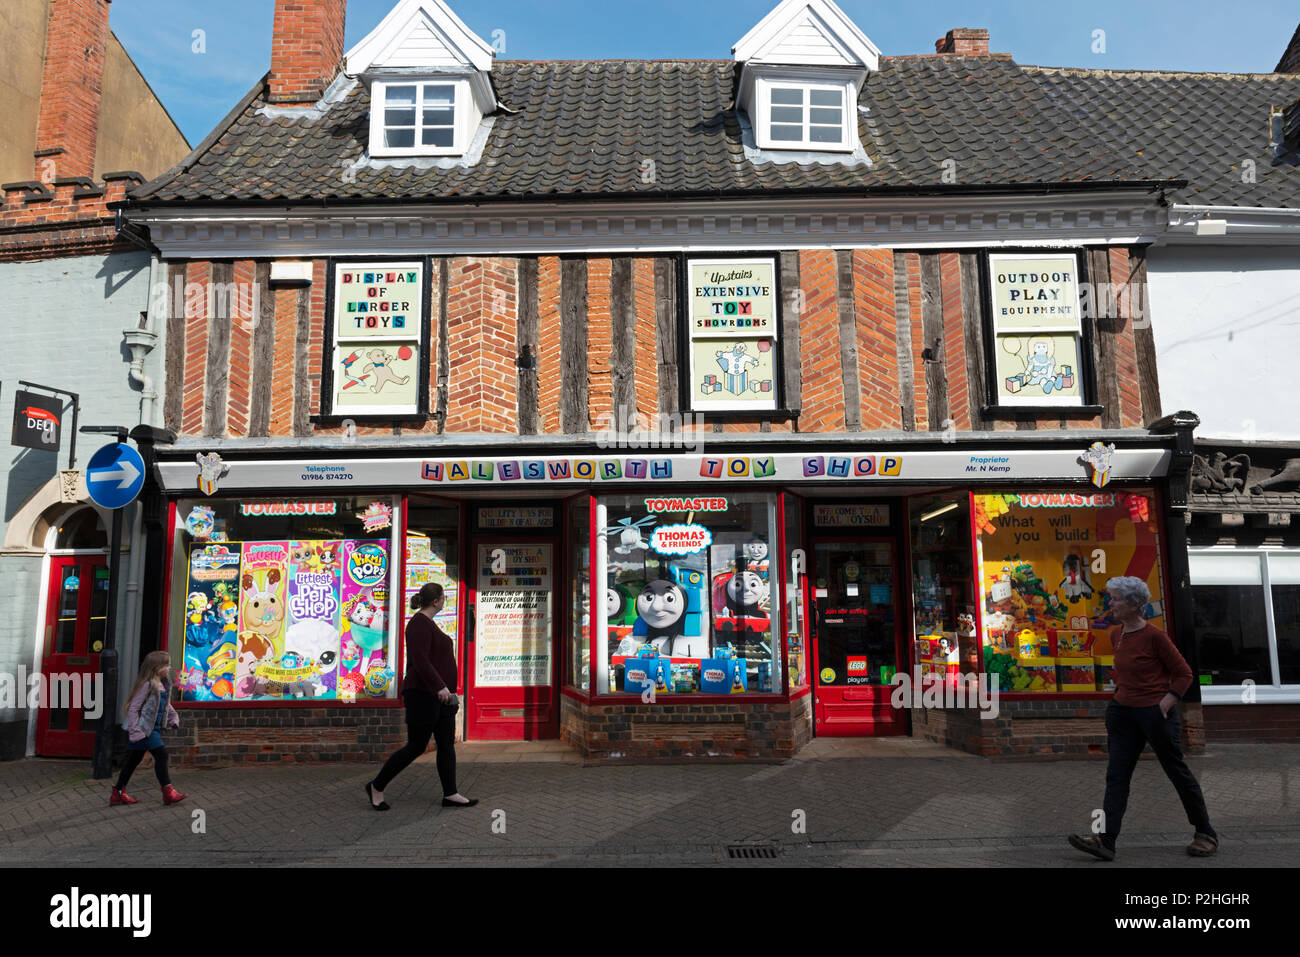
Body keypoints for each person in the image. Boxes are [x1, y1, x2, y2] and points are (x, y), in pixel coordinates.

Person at [1069, 576, 1217, 860]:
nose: (1110, 603)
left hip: (1154, 714)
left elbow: (1185, 674)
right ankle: (1106, 841)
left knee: (1177, 772)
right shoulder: (1116, 634)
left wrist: (1165, 702)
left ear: (1135, 604)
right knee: (1116, 777)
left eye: (1116, 599)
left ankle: (1206, 832)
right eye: (1111, 597)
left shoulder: (1154, 636)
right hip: (1123, 713)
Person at [366, 582, 477, 810]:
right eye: (443, 598)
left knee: (446, 745)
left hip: (442, 697)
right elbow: (420, 660)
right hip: (424, 695)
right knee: (416, 746)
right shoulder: (418, 624)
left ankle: (450, 793)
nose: (444, 601)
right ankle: (376, 786)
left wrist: (446, 690)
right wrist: (439, 686)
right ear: (436, 601)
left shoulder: (429, 624)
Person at [112, 650, 187, 806]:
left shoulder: (163, 684)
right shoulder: (147, 685)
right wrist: (135, 731)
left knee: (133, 761)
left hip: (153, 729)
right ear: (157, 667)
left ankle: (118, 792)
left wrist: (173, 717)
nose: (169, 668)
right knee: (162, 755)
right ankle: (168, 793)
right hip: (145, 730)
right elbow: (133, 708)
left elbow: (164, 704)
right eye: (167, 665)